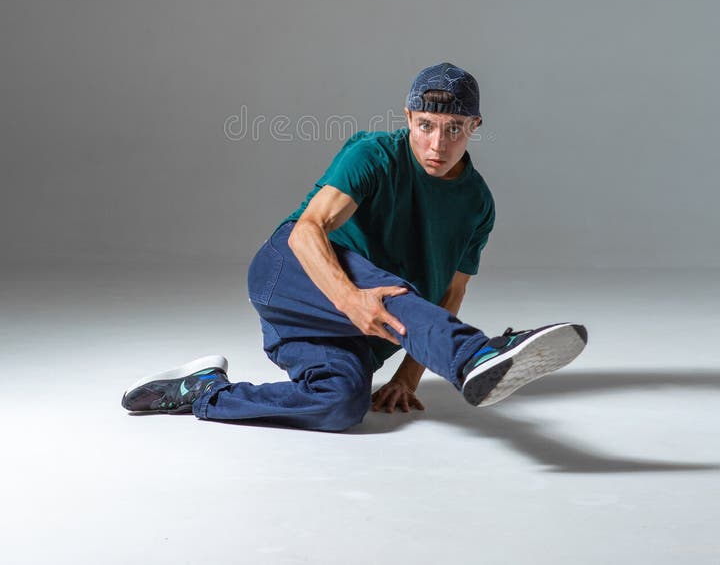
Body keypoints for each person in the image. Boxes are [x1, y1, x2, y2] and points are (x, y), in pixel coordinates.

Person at [122, 62, 587, 430]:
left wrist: (406, 377)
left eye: (454, 128)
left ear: (475, 125)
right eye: (425, 125)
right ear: (407, 118)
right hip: (289, 276)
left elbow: (451, 292)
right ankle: (475, 355)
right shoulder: (374, 155)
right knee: (390, 292)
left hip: (344, 330)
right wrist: (349, 299)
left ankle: (202, 393)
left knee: (342, 404)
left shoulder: (477, 204)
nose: (437, 144)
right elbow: (308, 231)